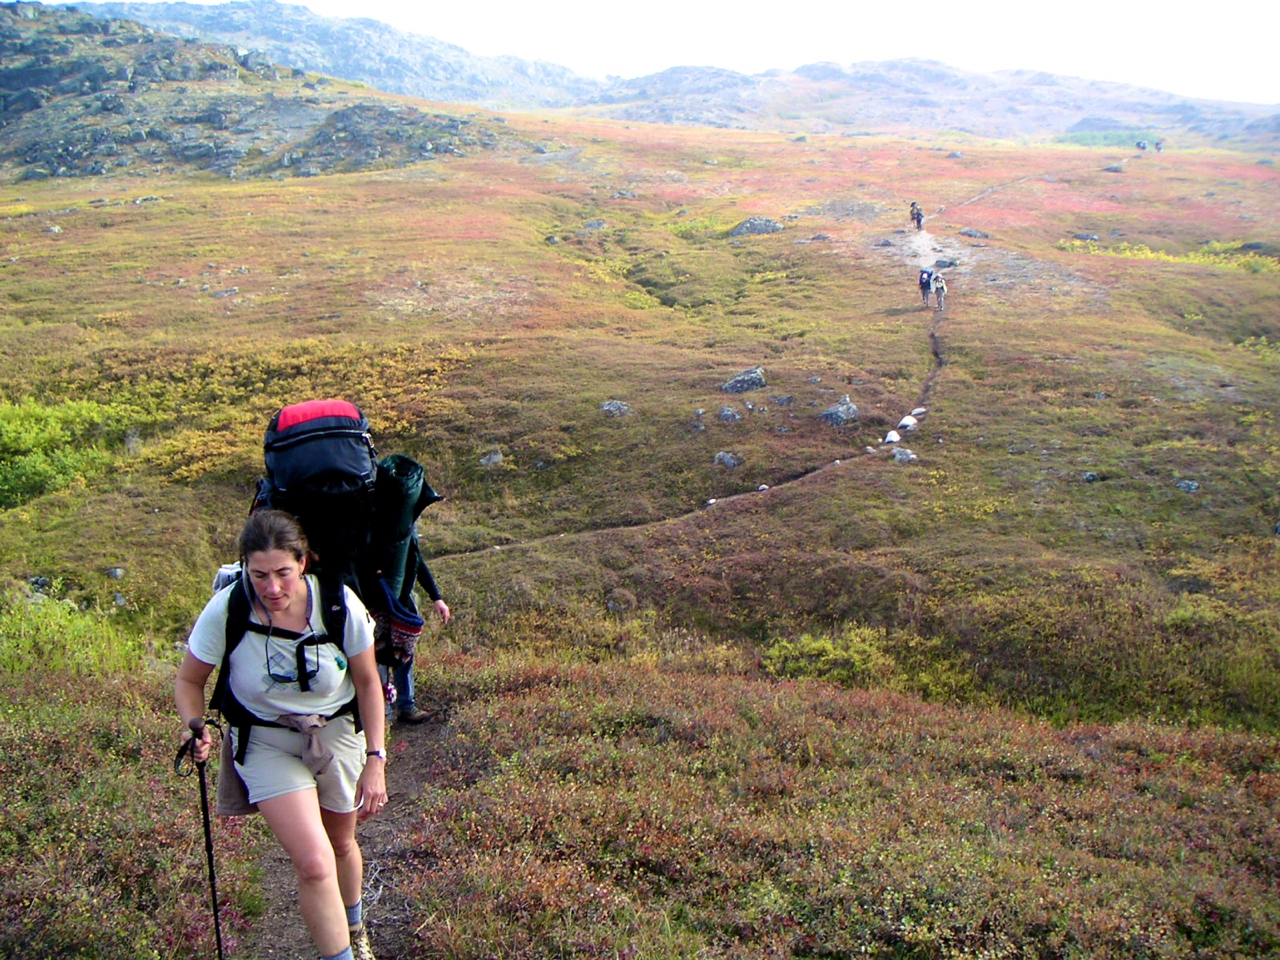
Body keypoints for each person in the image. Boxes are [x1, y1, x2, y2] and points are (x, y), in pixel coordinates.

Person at [175, 510, 386, 960]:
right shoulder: (227, 608)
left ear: (303, 563)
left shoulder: (338, 604)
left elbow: (368, 682)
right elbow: (189, 680)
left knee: (341, 843)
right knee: (313, 862)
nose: (272, 588)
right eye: (259, 575)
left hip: (337, 735)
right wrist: (196, 727)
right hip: (265, 741)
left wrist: (376, 758)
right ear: (245, 569)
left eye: (283, 573)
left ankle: (355, 924)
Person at [386, 562, 450, 725]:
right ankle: (382, 711)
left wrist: (436, 597)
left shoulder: (406, 538)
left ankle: (405, 706)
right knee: (375, 656)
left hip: (403, 600)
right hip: (372, 598)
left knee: (404, 652)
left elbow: (417, 561)